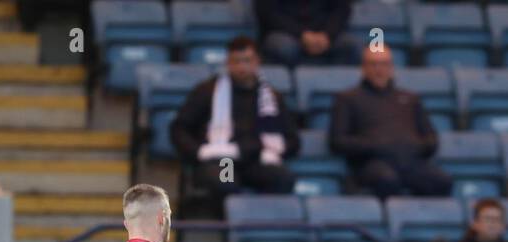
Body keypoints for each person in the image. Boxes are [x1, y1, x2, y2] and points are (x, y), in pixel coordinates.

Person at [170, 36, 300, 204]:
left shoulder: (271, 97)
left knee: (283, 177)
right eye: (236, 61)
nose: (241, 67)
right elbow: (180, 128)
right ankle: (231, 226)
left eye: (246, 61)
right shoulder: (208, 91)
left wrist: (274, 149)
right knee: (226, 181)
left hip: (257, 160)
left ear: (257, 62)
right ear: (228, 63)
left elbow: (292, 139)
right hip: (224, 159)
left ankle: (261, 225)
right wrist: (199, 151)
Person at [329, 47, 451, 199]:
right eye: (373, 64)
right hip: (371, 163)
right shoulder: (347, 99)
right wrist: (375, 145)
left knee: (442, 181)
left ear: (392, 68)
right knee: (387, 179)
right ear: (363, 68)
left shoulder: (410, 98)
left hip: (410, 161)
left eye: (384, 64)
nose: (379, 70)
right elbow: (337, 142)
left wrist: (414, 146)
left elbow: (431, 139)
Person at [255, 0, 361, 67]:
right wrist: (301, 34)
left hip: (325, 36)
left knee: (351, 45)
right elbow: (268, 13)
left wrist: (328, 35)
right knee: (284, 47)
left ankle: (336, 90)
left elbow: (341, 9)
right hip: (286, 33)